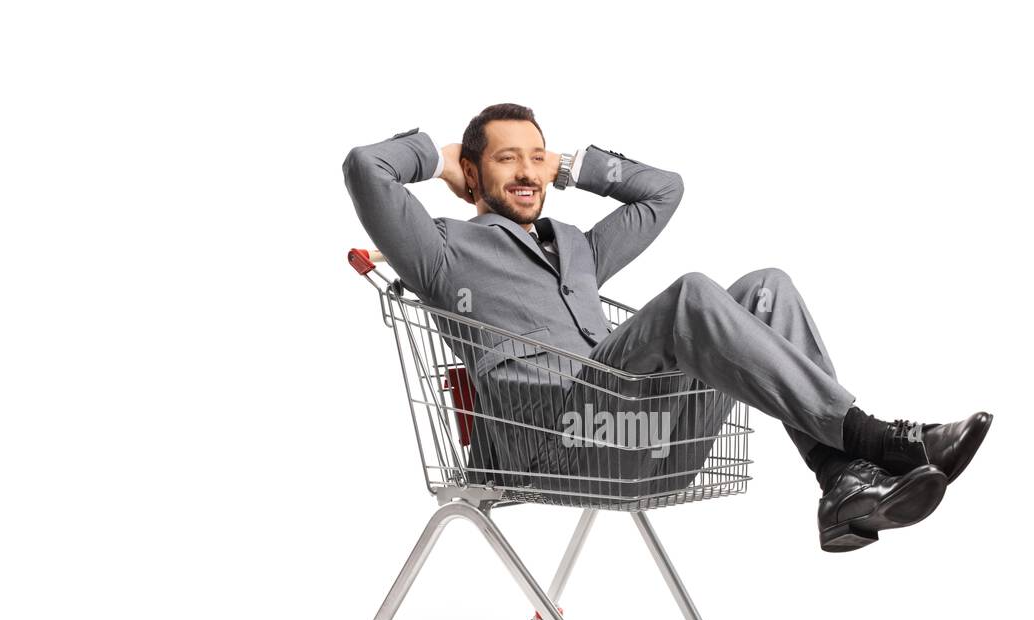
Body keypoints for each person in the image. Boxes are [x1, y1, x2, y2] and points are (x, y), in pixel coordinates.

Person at [342, 103, 992, 552]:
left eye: (536, 159)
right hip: (552, 437)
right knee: (691, 298)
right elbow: (364, 168)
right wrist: (444, 155)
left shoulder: (578, 248)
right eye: (508, 159)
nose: (527, 172)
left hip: (639, 431)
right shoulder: (442, 248)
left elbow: (665, 190)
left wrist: (568, 163)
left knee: (768, 287)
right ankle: (876, 440)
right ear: (473, 175)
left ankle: (840, 482)